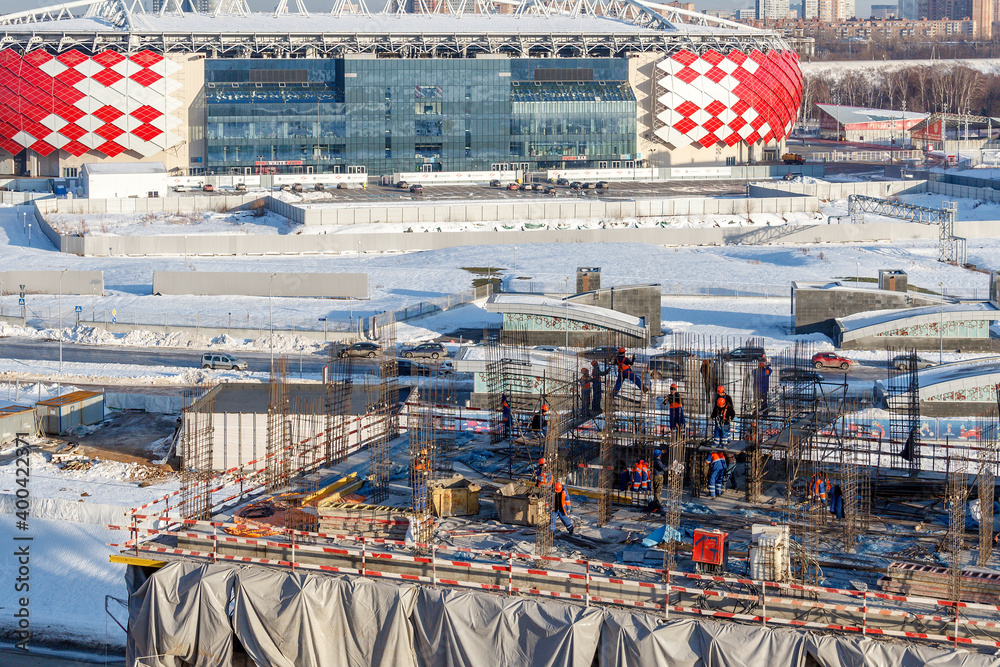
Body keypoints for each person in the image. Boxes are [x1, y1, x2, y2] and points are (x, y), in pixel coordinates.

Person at [647, 449, 666, 513]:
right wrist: (672, 465)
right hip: (658, 476)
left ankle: (656, 503)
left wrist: (662, 451)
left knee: (656, 490)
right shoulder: (658, 461)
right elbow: (664, 468)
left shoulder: (654, 459)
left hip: (656, 475)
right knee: (658, 491)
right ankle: (657, 504)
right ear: (658, 455)